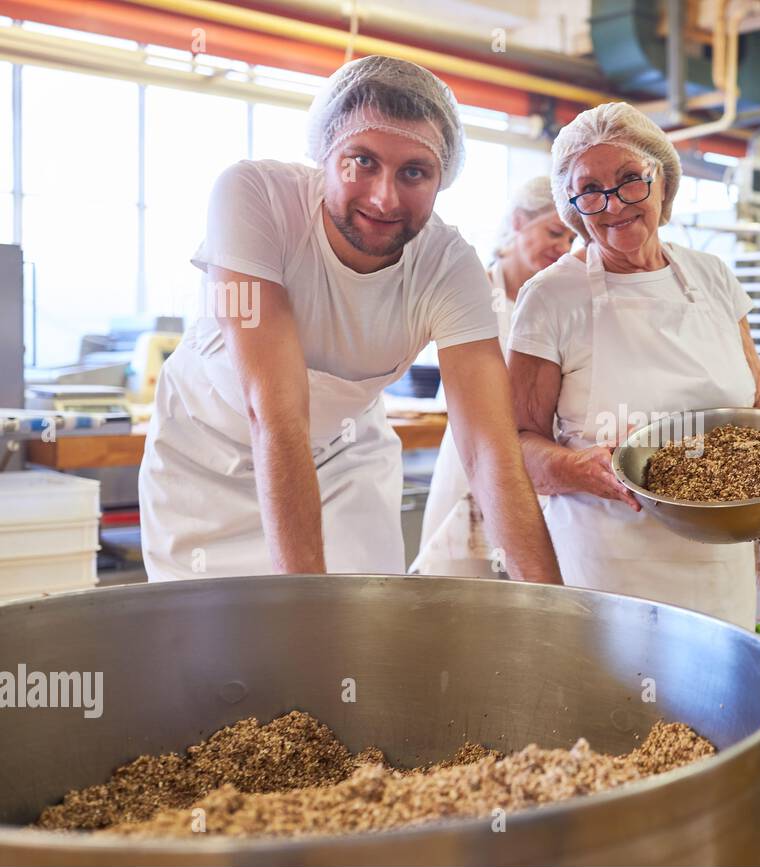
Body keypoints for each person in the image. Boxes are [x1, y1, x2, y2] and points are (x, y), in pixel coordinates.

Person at [140, 55, 560, 584]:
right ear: (326, 154)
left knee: (357, 634)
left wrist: (554, 610)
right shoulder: (254, 199)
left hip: (342, 461)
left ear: (441, 177)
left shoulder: (449, 266)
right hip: (204, 462)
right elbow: (272, 409)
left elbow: (490, 451)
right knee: (220, 647)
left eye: (414, 172)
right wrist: (308, 612)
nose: (384, 198)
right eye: (362, 161)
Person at [508, 102, 760, 629]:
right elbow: (514, 446)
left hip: (720, 562)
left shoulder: (713, 279)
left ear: (662, 181)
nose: (613, 204)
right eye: (590, 191)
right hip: (608, 570)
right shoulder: (550, 297)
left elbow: (757, 403)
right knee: (614, 708)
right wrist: (578, 468)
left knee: (719, 703)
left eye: (629, 180)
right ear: (572, 205)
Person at [411, 176, 573, 576]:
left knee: (527, 585)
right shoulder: (476, 288)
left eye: (571, 239)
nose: (563, 247)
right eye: (554, 232)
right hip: (472, 452)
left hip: (535, 458)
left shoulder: (561, 299)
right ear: (518, 222)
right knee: (459, 586)